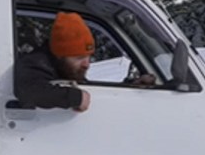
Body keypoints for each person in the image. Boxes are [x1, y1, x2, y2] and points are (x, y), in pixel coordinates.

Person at [14, 11, 152, 112]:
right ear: (59, 55)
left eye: (88, 56)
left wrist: (132, 86)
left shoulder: (65, 69)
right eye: (79, 58)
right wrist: (74, 98)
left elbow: (91, 90)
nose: (87, 64)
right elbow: (29, 91)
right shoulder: (36, 63)